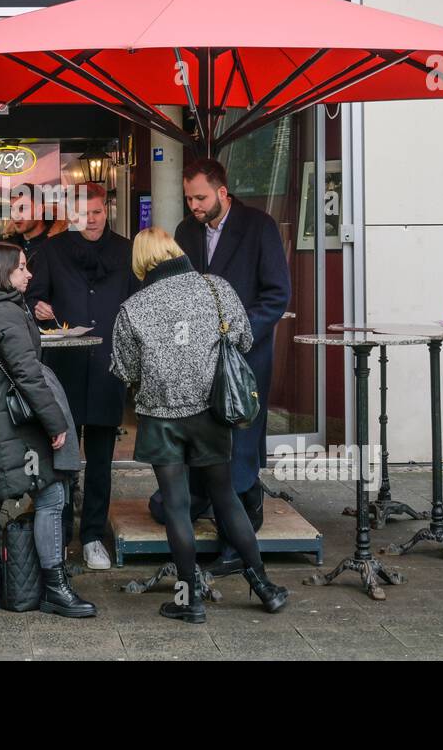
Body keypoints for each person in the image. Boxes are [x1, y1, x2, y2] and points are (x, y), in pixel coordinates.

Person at [111, 227, 289, 623]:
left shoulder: (133, 307)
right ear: (175, 251)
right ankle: (264, 586)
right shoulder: (216, 288)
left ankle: (188, 599)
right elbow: (243, 340)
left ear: (141, 261)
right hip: (211, 413)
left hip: (160, 418)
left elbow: (124, 369)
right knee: (225, 498)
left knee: (176, 506)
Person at [0, 243, 96, 617]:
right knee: (50, 494)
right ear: (2, 272)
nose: (29, 275)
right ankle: (55, 587)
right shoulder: (7, 312)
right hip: (10, 421)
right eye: (22, 268)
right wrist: (56, 422)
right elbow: (26, 374)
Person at [174, 157, 290, 575]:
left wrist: (237, 334)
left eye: (201, 197)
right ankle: (234, 508)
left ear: (223, 192)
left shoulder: (259, 227)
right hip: (198, 355)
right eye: (189, 198)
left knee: (240, 439)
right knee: (208, 438)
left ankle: (235, 539)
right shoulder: (186, 231)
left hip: (245, 355)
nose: (194, 205)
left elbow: (277, 296)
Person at [27, 182, 138, 570]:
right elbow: (32, 295)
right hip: (65, 367)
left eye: (96, 213)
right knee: (61, 457)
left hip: (109, 364)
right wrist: (38, 306)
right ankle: (58, 533)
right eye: (82, 214)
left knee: (103, 459)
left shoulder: (127, 249)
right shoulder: (53, 250)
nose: (90, 221)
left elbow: (139, 303)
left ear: (106, 210)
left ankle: (92, 536)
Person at [5, 186, 67, 277]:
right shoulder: (7, 246)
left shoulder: (60, 247)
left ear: (39, 210)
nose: (15, 215)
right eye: (12, 209)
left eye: (22, 208)